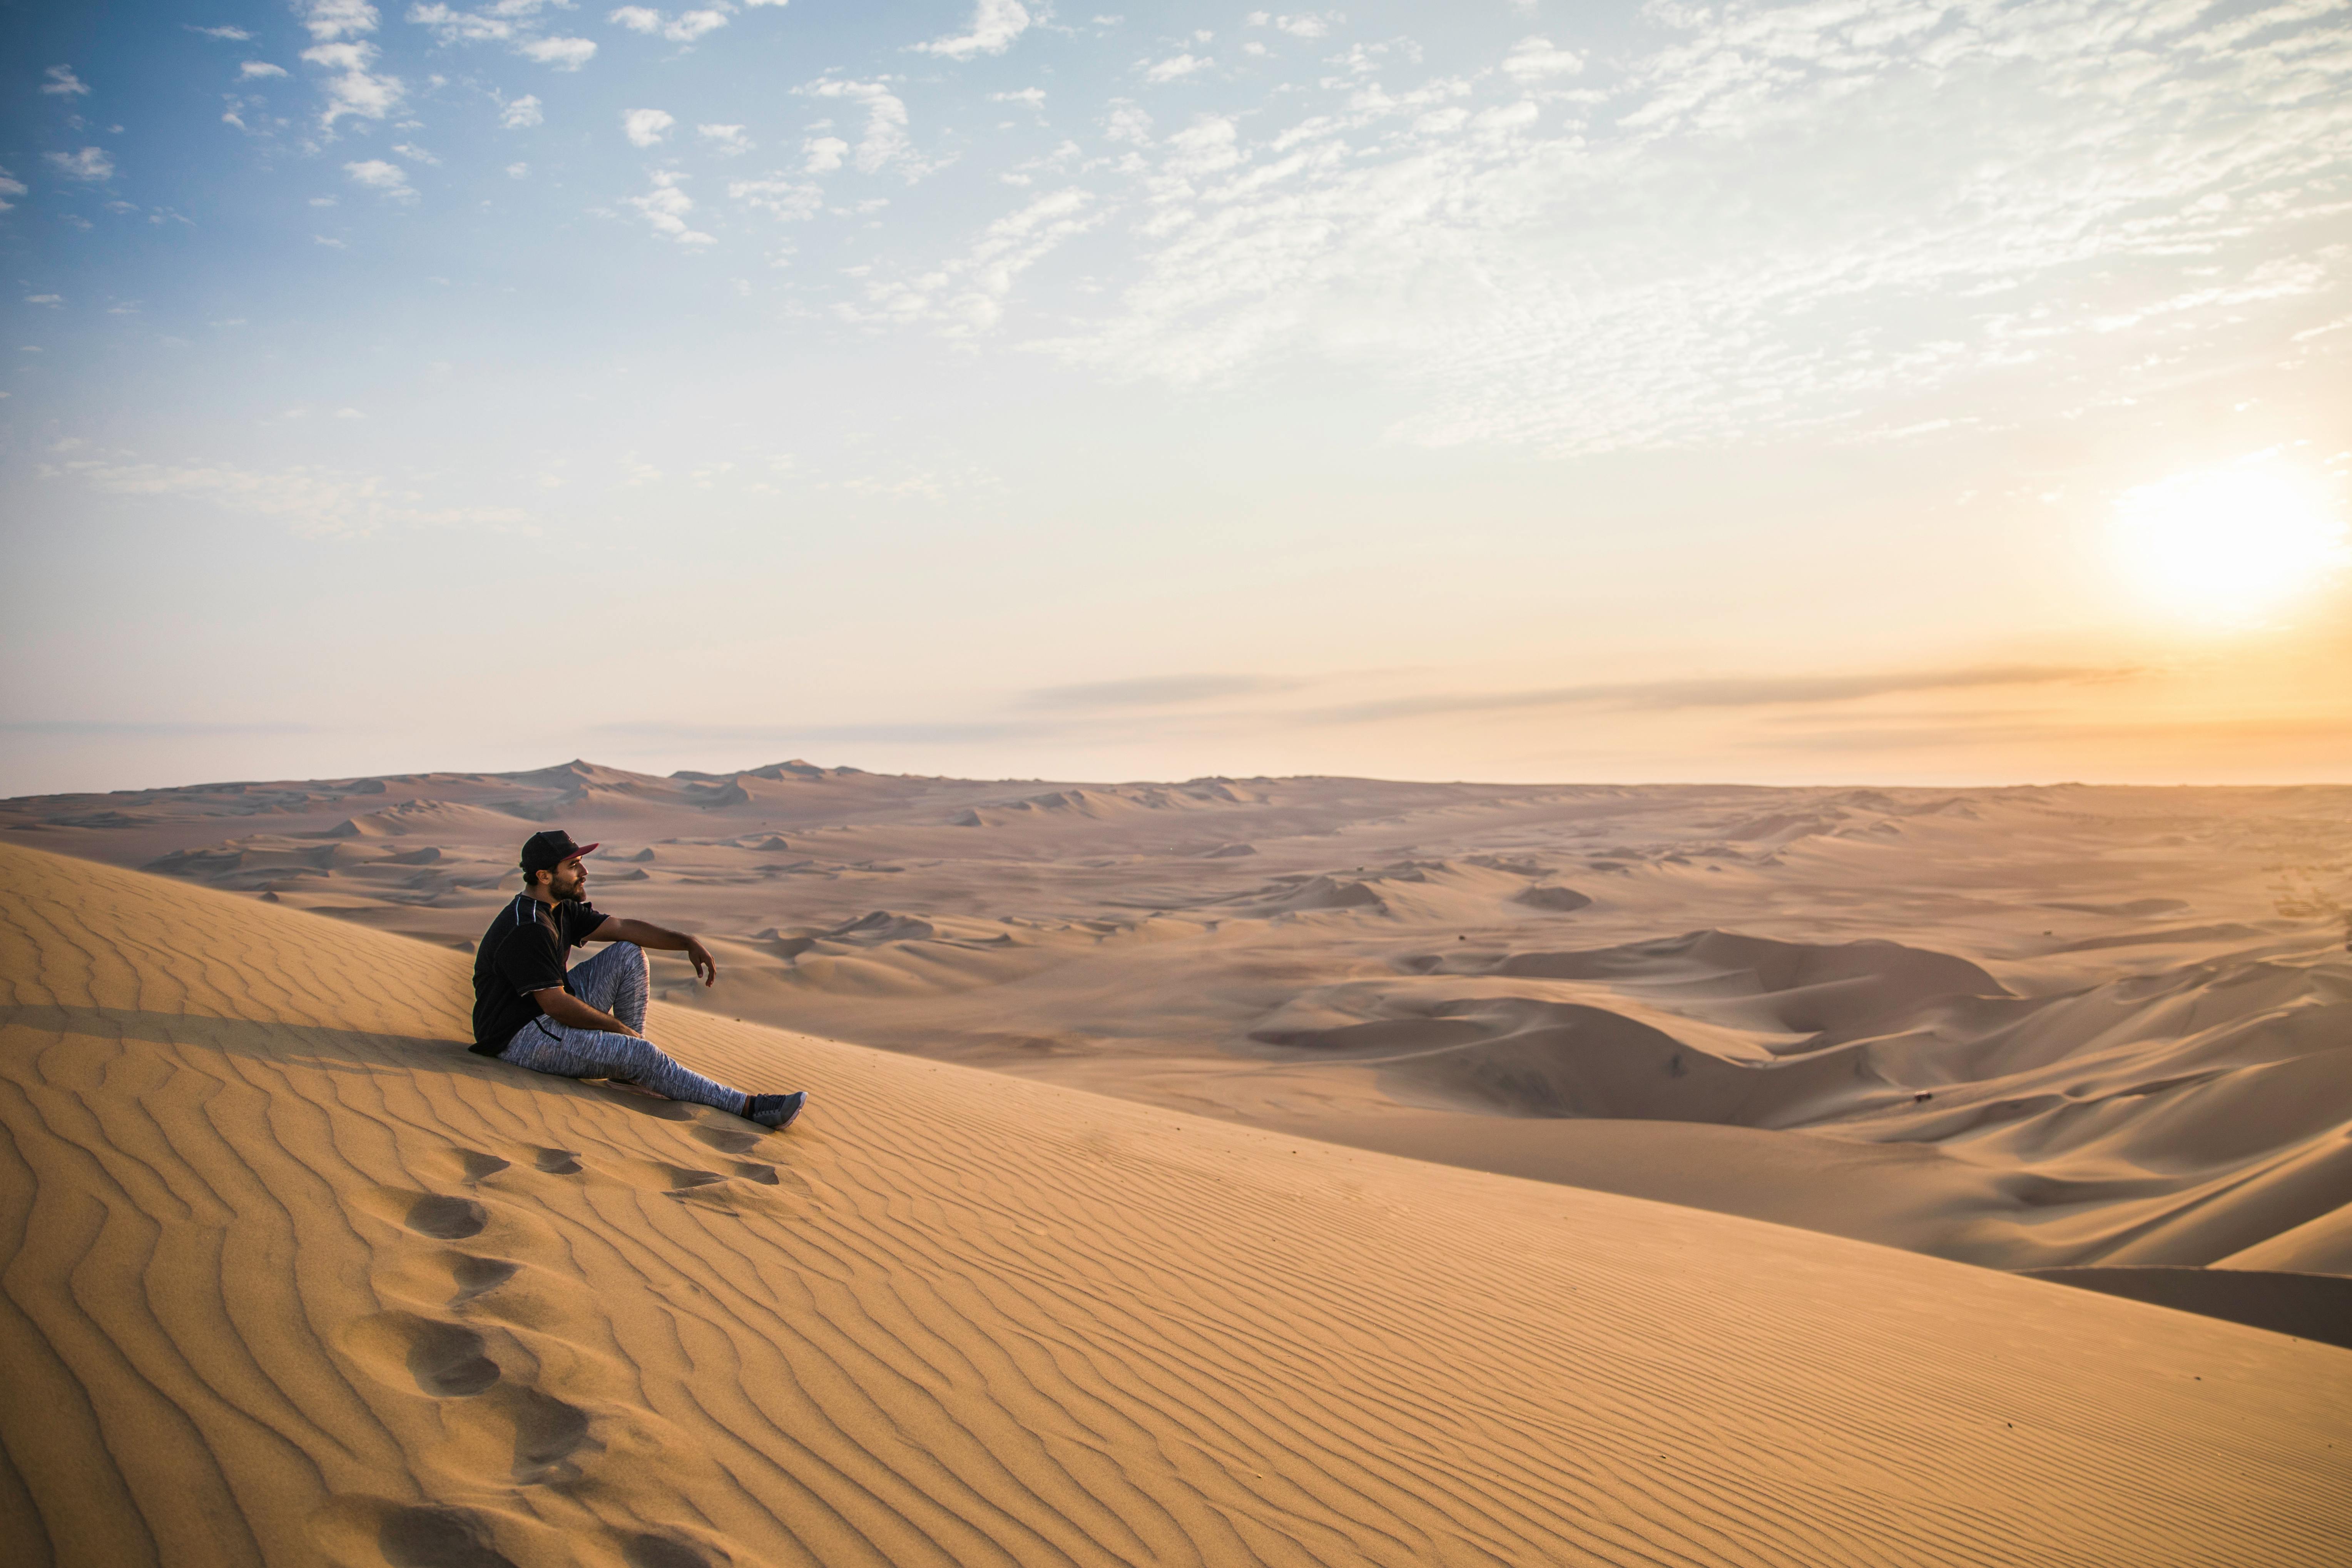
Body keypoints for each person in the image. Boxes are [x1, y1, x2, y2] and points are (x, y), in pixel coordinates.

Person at [470, 829, 807, 1130]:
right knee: (641, 1053)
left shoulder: (559, 908)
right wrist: (617, 1029)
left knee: (628, 953)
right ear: (544, 876)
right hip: (520, 1037)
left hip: (545, 1015)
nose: (584, 872)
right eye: (573, 866)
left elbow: (621, 928)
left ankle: (629, 1073)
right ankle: (749, 1107)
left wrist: (686, 942)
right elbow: (556, 1005)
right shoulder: (529, 927)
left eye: (581, 863)